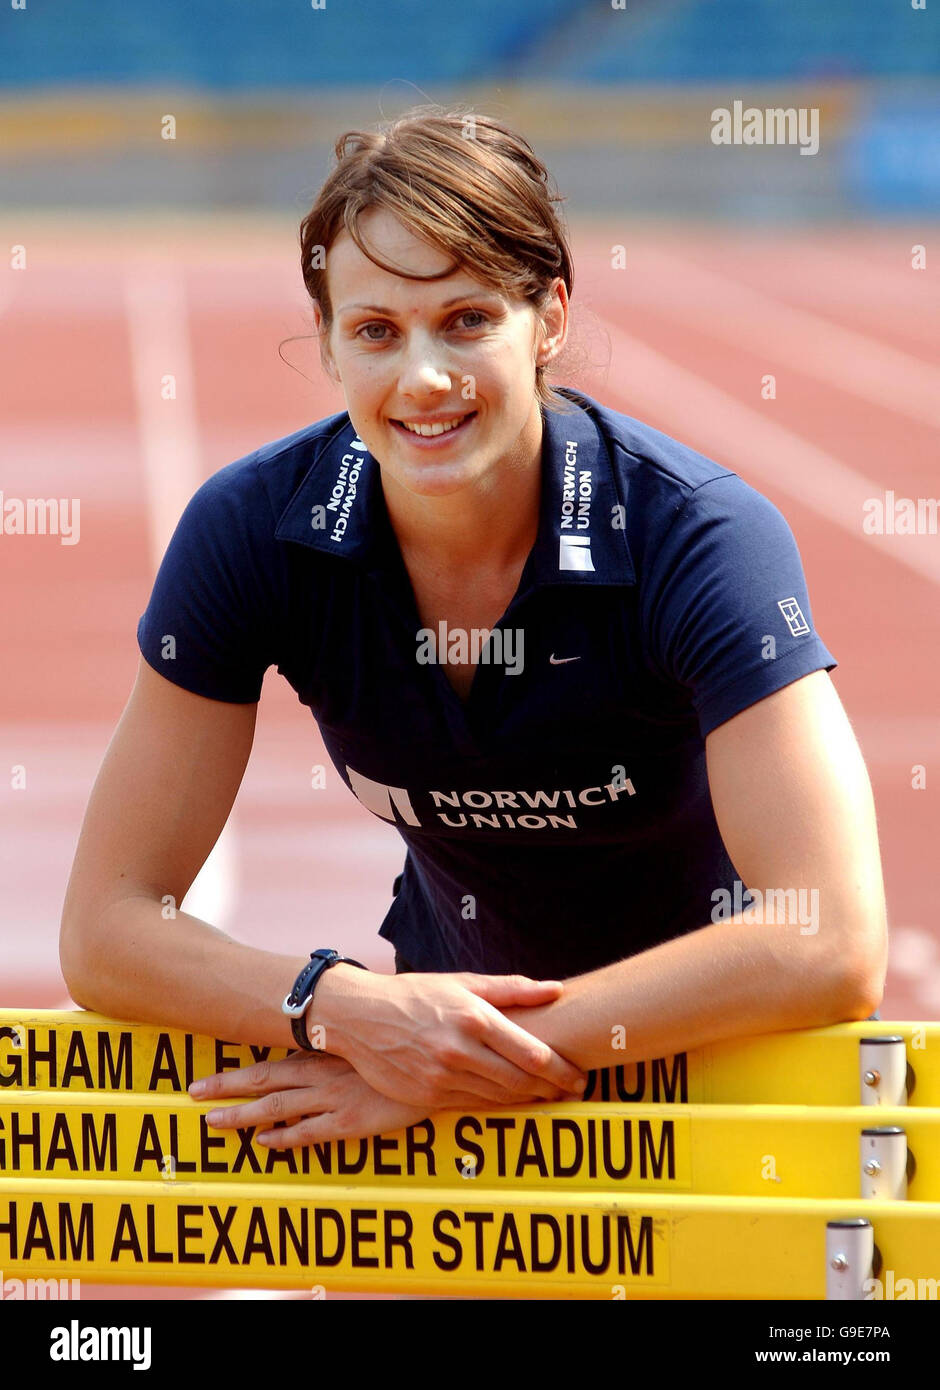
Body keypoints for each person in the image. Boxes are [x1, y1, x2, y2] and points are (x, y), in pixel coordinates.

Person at [60, 105, 887, 1148]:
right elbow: (106, 928)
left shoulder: (696, 532)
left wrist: (457, 1063)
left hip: (715, 1054)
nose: (423, 379)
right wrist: (346, 1008)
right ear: (325, 344)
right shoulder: (254, 532)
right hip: (434, 1063)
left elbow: (830, 941)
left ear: (546, 318)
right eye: (375, 332)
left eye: (466, 320)